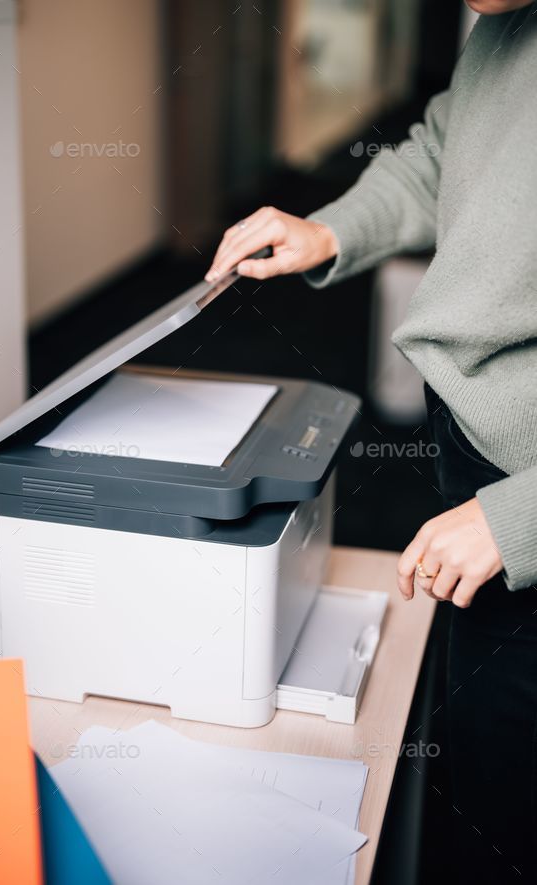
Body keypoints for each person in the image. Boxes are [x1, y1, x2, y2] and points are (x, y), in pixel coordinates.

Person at [206, 3, 537, 883]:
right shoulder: (504, 30)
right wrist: (331, 228)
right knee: (472, 761)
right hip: (483, 466)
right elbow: (445, 150)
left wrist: (520, 517)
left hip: (523, 504)